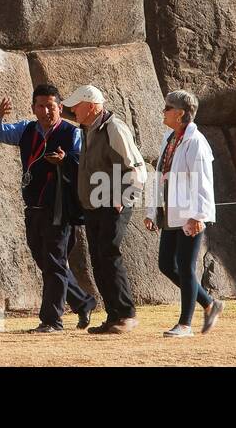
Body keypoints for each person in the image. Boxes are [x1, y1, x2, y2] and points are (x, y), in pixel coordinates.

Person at [0, 84, 98, 334]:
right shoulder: (26, 130)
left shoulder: (72, 132)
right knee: (45, 261)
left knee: (55, 263)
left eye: (51, 106)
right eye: (41, 106)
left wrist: (65, 160)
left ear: (60, 107)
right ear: (33, 108)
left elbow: (83, 163)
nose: (46, 110)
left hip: (59, 206)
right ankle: (83, 301)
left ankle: (51, 320)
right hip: (33, 206)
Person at [144, 89, 225, 337]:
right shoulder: (170, 139)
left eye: (167, 108)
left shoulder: (196, 142)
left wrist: (198, 216)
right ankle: (210, 303)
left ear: (180, 114)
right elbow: (160, 176)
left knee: (186, 267)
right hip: (170, 212)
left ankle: (185, 324)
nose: (163, 112)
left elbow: (202, 181)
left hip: (189, 214)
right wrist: (152, 211)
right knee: (166, 265)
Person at [68, 84, 148, 335]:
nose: (73, 110)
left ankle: (126, 314)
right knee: (98, 259)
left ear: (91, 106)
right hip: (94, 204)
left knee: (109, 255)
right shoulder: (89, 128)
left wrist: (123, 197)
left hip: (113, 203)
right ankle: (113, 315)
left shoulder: (114, 128)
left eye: (77, 105)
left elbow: (135, 168)